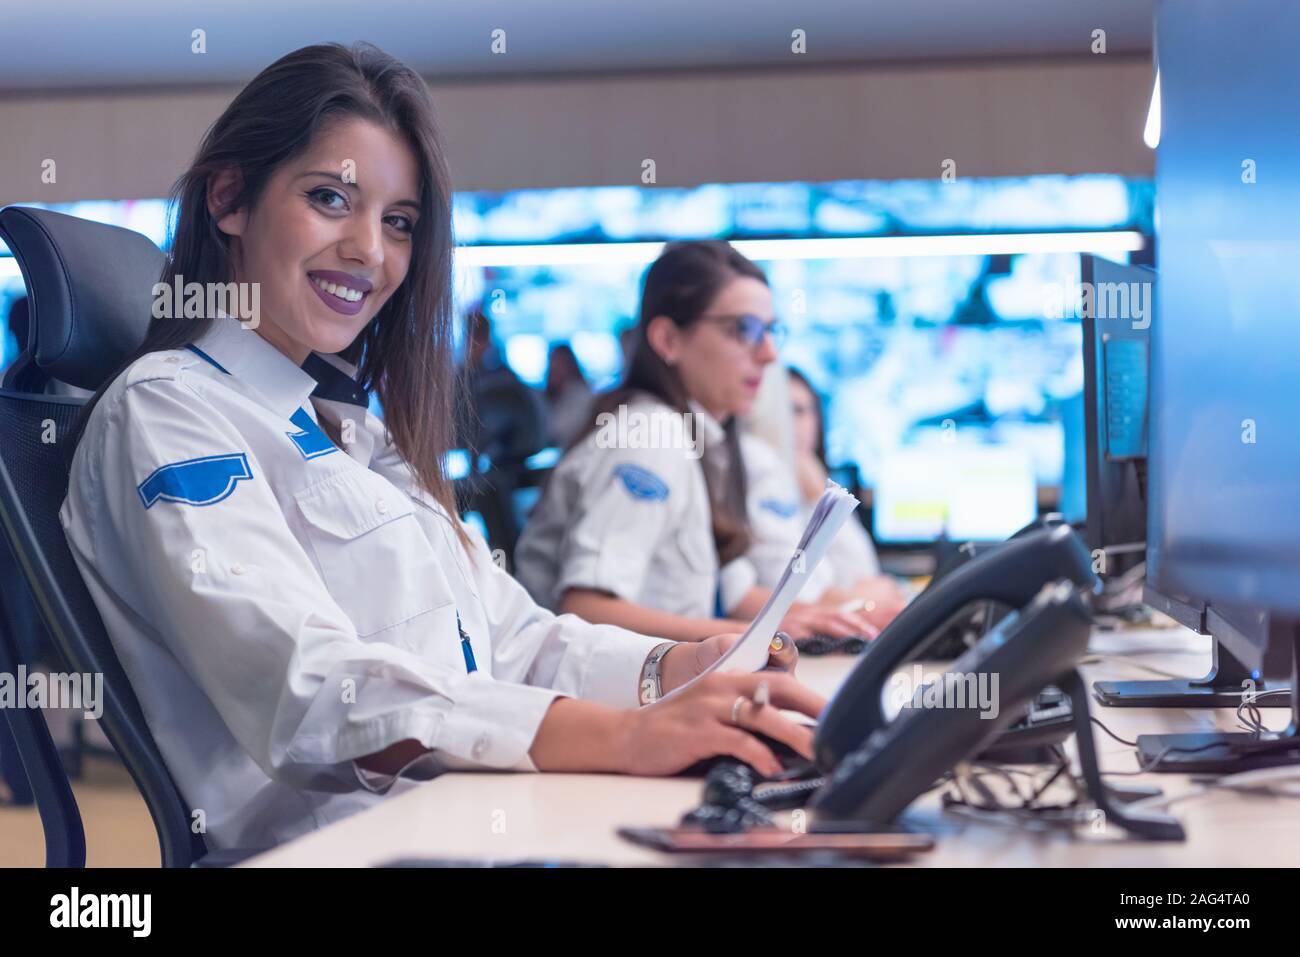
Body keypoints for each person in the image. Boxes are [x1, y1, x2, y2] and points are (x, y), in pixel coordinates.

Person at [58, 43, 822, 851]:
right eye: (329, 199)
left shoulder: (359, 432)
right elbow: (310, 691)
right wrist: (625, 737)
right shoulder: (168, 408)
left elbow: (515, 639)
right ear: (230, 199)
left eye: (399, 223)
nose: (369, 251)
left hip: (462, 823)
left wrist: (675, 668)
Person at [515, 241, 878, 643]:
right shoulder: (650, 437)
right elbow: (586, 609)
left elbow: (736, 594)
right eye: (744, 330)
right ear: (668, 340)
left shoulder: (704, 438)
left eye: (771, 331)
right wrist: (747, 636)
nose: (769, 354)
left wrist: (834, 618)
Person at [784, 366, 907, 619]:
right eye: (781, 411)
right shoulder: (762, 487)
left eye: (799, 411)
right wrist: (862, 598)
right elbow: (810, 593)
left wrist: (819, 493)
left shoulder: (812, 480)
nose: (790, 425)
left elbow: (863, 570)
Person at [542, 342, 593, 448]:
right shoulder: (549, 396)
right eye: (552, 363)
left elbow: (561, 430)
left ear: (569, 365)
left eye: (559, 364)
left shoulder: (581, 394)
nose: (554, 369)